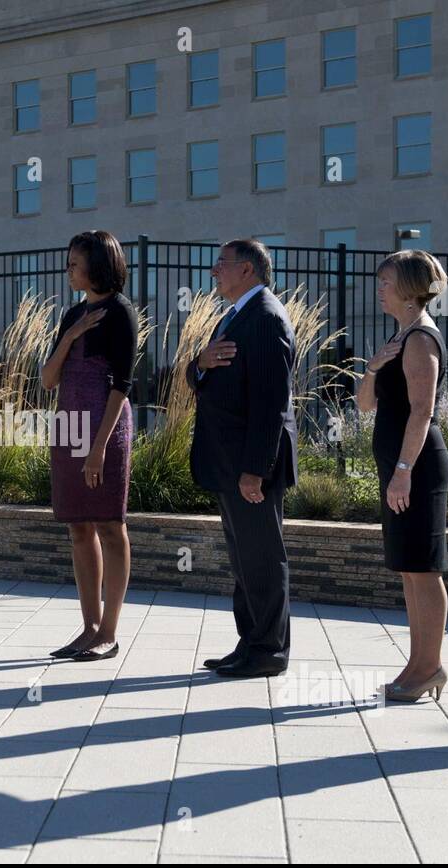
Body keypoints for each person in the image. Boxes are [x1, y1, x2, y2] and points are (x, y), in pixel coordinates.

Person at [185, 239, 297, 678]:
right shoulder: (234, 316)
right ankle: (250, 642)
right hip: (229, 463)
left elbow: (272, 403)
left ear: (247, 269)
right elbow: (201, 376)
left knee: (262, 558)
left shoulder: (266, 318)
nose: (214, 271)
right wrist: (200, 362)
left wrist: (255, 470)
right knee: (244, 559)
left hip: (250, 467)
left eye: (221, 263)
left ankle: (269, 650)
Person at [356, 250, 448, 703]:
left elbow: (422, 411)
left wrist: (402, 472)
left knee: (423, 569)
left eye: (386, 282)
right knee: (409, 570)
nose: (380, 289)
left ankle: (429, 666)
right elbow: (365, 405)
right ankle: (418, 665)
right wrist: (373, 367)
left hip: (417, 468)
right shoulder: (400, 338)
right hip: (402, 468)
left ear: (411, 289)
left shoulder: (420, 340)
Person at [41, 231, 139, 662]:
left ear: (96, 266)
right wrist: (70, 335)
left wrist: (99, 448)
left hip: (105, 431)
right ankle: (88, 629)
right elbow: (48, 379)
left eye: (74, 263)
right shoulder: (72, 314)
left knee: (110, 526)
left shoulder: (120, 313)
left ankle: (109, 633)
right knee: (78, 527)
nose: (68, 270)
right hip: (68, 427)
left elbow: (122, 386)